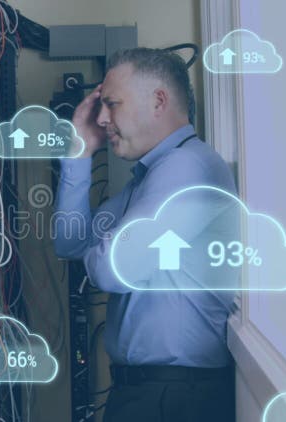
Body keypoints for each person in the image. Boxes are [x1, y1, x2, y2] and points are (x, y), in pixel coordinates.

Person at [54, 48, 237, 421]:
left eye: (112, 104)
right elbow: (71, 242)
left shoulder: (186, 168)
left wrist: (105, 251)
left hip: (175, 398)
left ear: (158, 101)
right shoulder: (150, 178)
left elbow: (110, 269)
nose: (102, 119)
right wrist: (79, 154)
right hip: (154, 393)